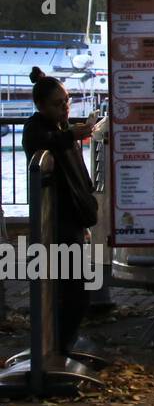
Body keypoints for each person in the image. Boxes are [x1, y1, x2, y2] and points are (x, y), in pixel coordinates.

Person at [21, 67, 99, 355]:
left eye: (66, 101)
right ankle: (58, 345)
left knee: (78, 286)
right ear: (40, 106)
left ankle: (62, 341)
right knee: (73, 289)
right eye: (58, 104)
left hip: (73, 220)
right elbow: (46, 144)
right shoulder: (38, 130)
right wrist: (73, 135)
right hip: (57, 224)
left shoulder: (58, 129)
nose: (65, 108)